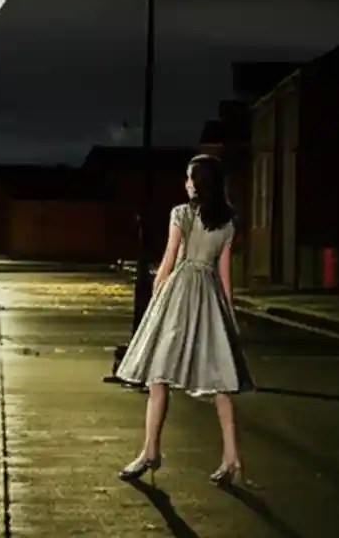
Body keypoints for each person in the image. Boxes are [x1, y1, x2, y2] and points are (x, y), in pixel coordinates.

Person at [113, 153, 255, 485]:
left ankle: (150, 451)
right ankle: (232, 456)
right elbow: (224, 276)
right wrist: (229, 315)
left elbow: (168, 262)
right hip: (208, 297)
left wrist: (156, 298)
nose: (187, 183)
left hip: (179, 294)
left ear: (200, 183)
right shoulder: (227, 223)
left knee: (158, 375)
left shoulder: (181, 214)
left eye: (191, 178)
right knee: (221, 380)